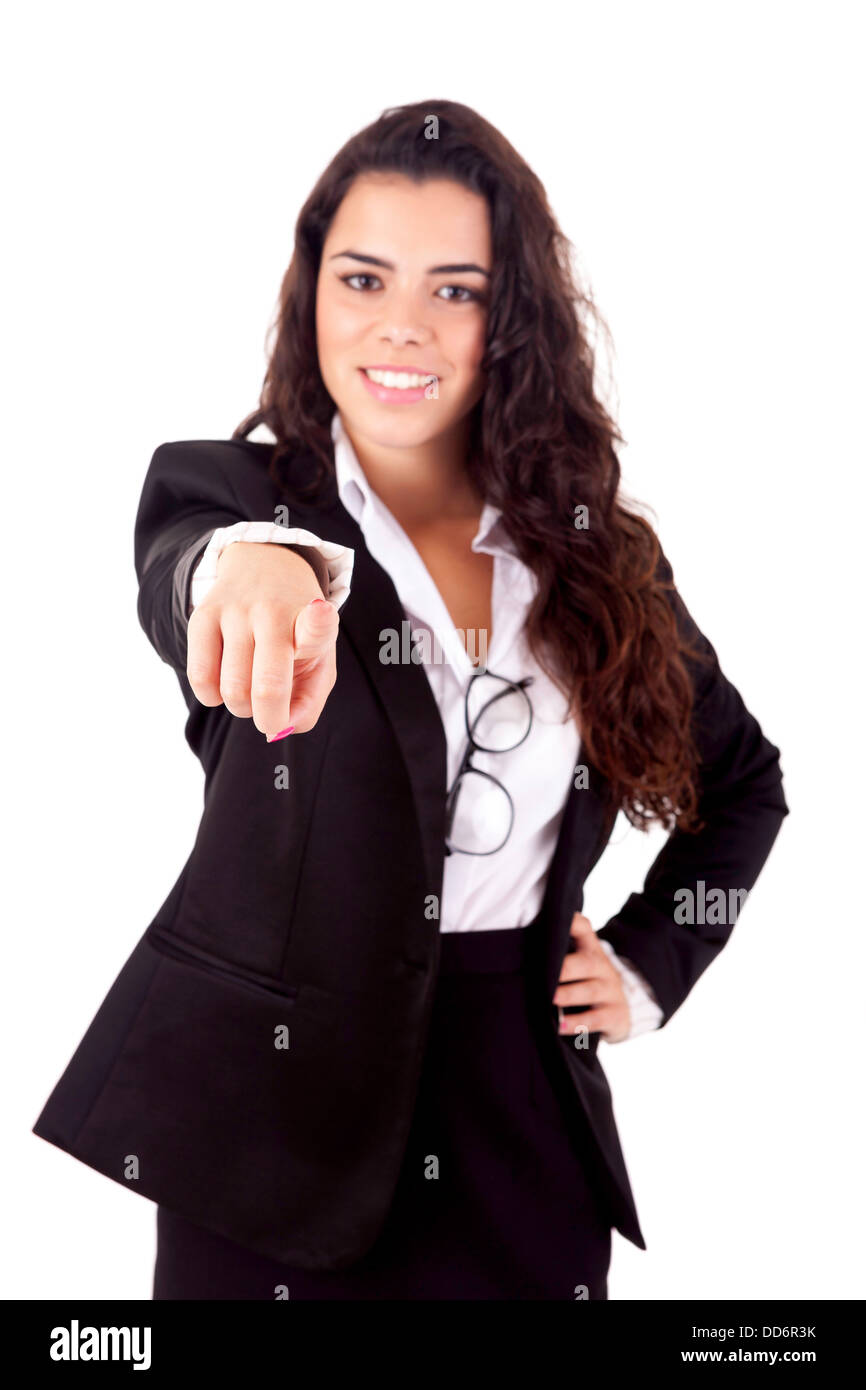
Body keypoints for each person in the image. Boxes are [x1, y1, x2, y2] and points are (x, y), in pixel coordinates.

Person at [32, 99, 789, 1301]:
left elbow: (743, 780)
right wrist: (254, 564)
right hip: (274, 1130)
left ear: (512, 319)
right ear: (313, 293)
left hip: (515, 1109)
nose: (400, 326)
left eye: (455, 289)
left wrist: (649, 965)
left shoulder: (591, 557)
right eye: (363, 277)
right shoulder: (231, 499)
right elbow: (187, 571)